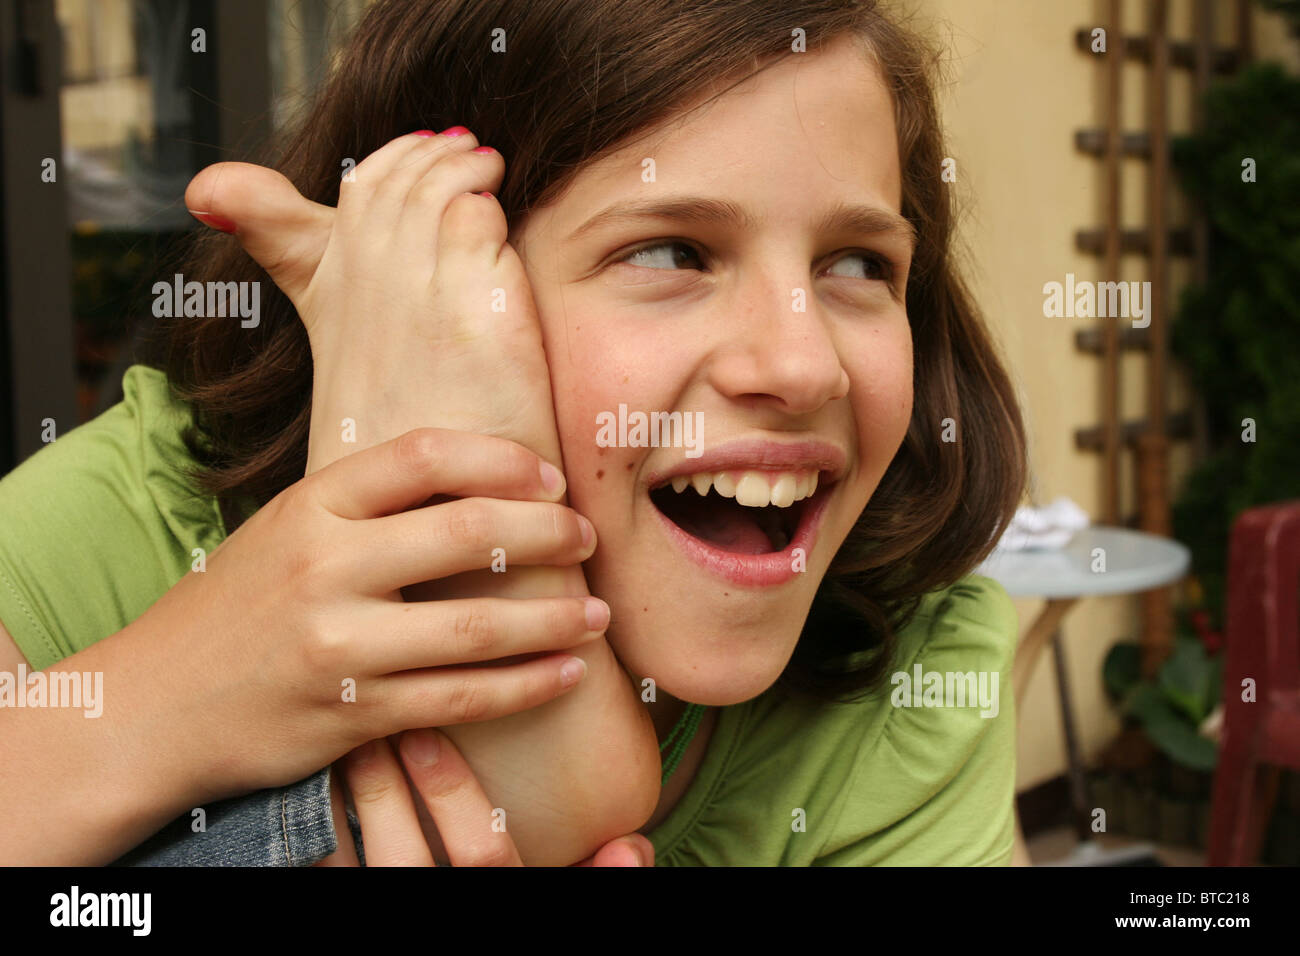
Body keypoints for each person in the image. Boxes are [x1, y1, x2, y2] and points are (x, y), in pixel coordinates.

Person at [0, 0, 1027, 866]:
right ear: (419, 285)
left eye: (856, 265)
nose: (802, 365)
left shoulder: (911, 670)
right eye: (671, 249)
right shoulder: (125, 523)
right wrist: (187, 680)